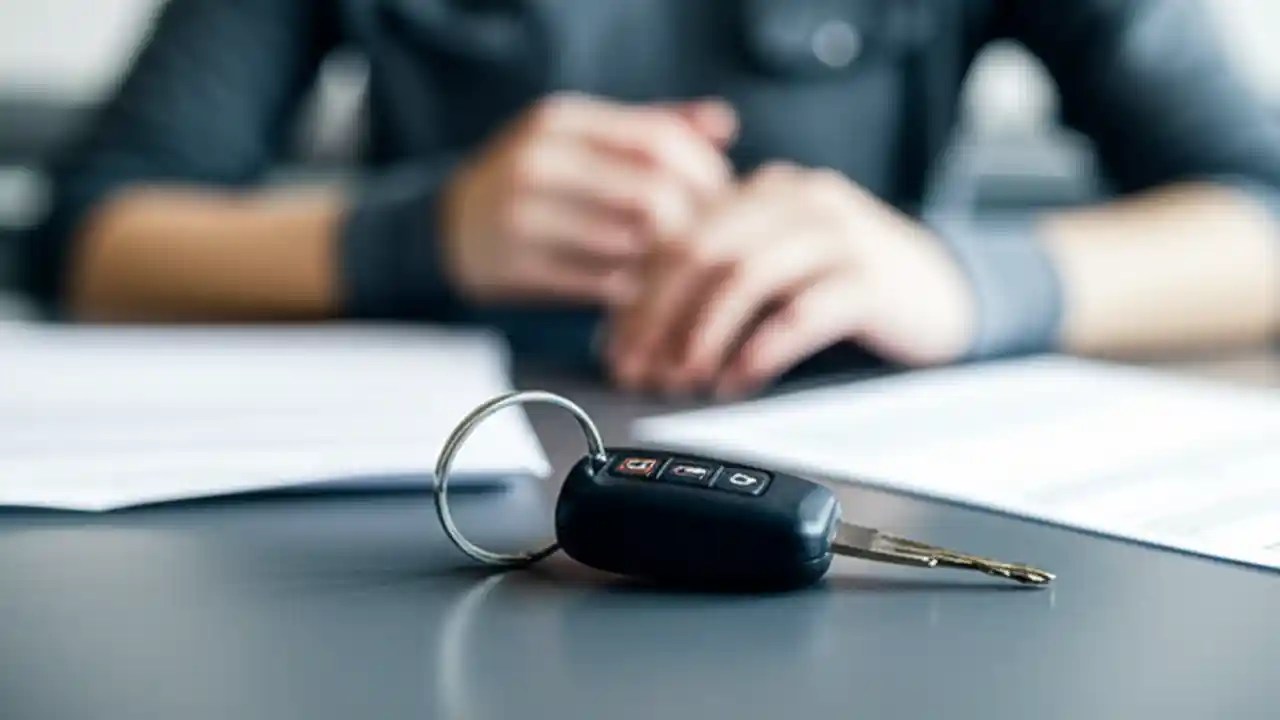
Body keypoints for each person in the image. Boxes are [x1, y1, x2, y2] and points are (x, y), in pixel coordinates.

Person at [20, 0, 1280, 397]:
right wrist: (426, 230)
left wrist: (968, 280)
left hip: (883, 466)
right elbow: (97, 235)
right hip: (439, 482)